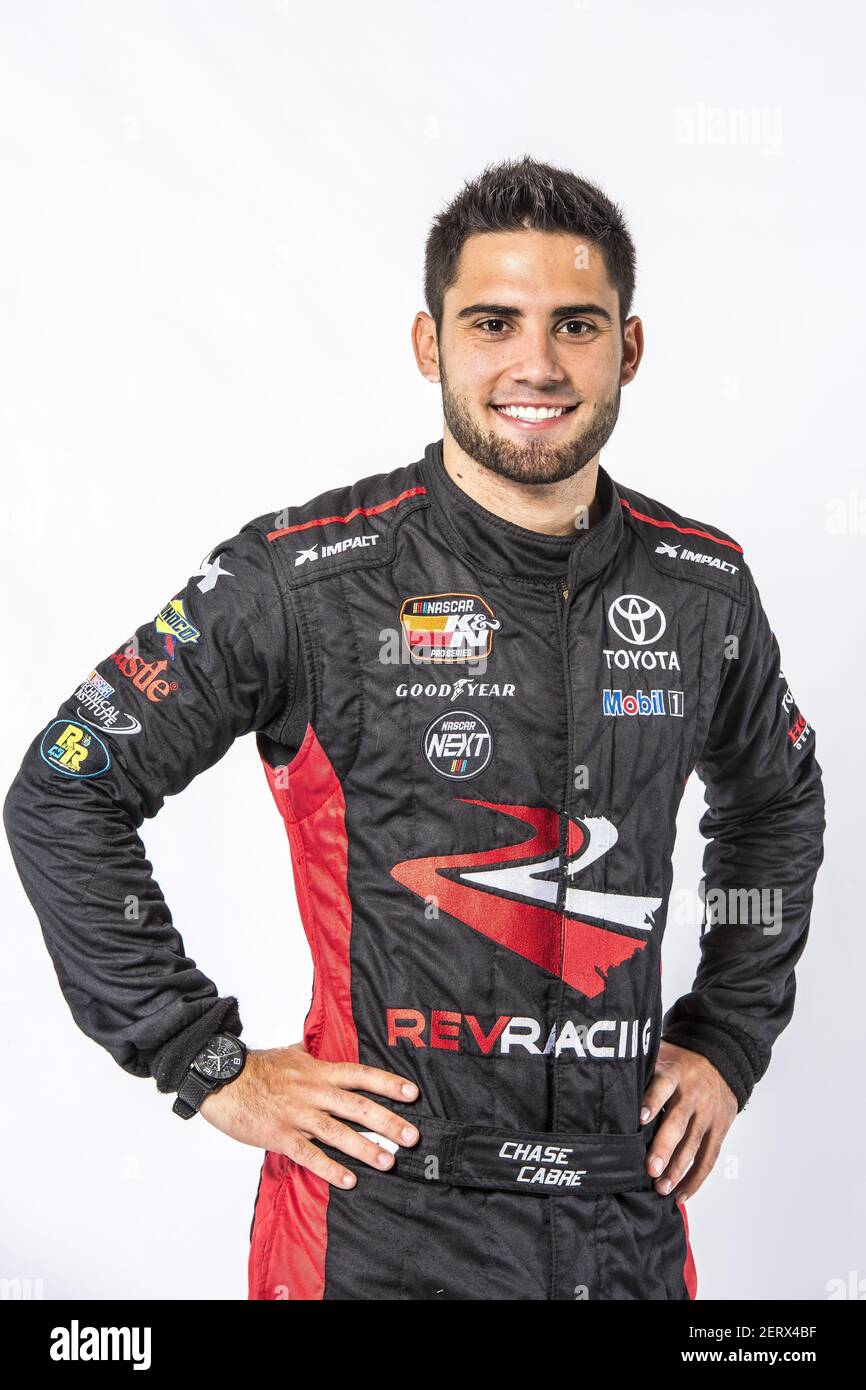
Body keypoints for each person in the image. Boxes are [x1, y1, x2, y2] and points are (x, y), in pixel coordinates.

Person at [4, 156, 825, 1301]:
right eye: (492, 322)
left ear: (627, 349)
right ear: (429, 345)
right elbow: (65, 787)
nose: (534, 365)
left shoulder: (702, 590)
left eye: (574, 325)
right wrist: (202, 1058)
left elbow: (775, 802)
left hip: (620, 1219)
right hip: (375, 1224)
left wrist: (729, 1033)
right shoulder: (300, 578)